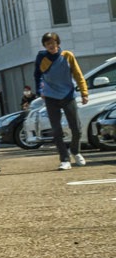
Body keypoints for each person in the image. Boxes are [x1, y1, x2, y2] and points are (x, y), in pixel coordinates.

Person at [33, 32, 89, 170]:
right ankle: (64, 159)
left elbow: (77, 74)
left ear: (58, 43)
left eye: (53, 43)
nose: (50, 46)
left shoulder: (67, 56)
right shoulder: (42, 56)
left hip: (68, 95)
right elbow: (37, 75)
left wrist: (84, 92)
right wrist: (40, 91)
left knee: (76, 127)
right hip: (51, 96)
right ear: (45, 46)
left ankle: (75, 151)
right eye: (47, 44)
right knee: (56, 129)